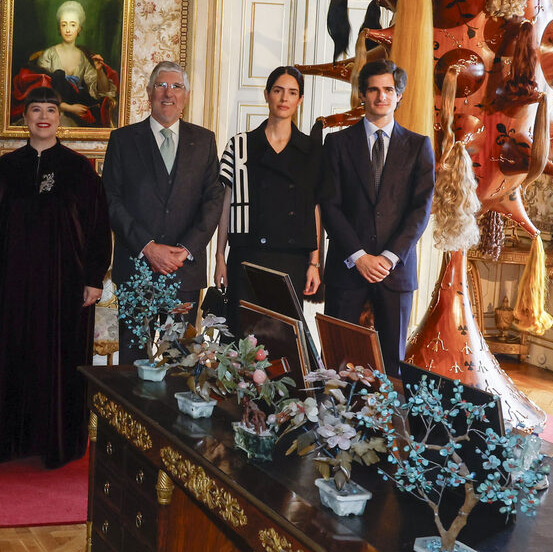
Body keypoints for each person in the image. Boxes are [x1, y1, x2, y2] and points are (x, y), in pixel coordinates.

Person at [0, 81, 109, 467]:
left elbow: (99, 226)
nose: (44, 117)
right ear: (25, 118)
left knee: (60, 363)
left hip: (66, 287)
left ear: (60, 119)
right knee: (17, 358)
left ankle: (60, 443)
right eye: (36, 110)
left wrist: (93, 278)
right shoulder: (7, 167)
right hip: (15, 284)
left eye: (51, 111)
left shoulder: (79, 170)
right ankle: (12, 441)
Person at [102, 62, 225, 361]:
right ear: (148, 93)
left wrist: (186, 249)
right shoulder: (123, 140)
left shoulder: (205, 141)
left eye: (176, 87)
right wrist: (148, 247)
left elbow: (213, 200)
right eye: (161, 85)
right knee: (133, 360)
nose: (168, 93)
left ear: (186, 96)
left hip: (185, 273)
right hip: (136, 268)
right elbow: (110, 199)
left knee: (179, 362)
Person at [320, 58, 435, 376]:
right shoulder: (337, 143)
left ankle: (386, 425)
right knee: (338, 361)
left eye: (388, 89)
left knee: (391, 366)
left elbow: (420, 210)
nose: (380, 96)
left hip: (395, 273)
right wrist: (359, 256)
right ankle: (334, 423)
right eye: (373, 90)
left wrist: (388, 257)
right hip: (347, 268)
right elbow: (330, 206)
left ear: (399, 95)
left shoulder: (418, 146)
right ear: (362, 95)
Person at [213, 65, 325, 316]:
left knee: (282, 339)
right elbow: (225, 204)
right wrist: (220, 256)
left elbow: (314, 208)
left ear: (301, 99)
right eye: (278, 90)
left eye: (292, 93)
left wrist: (314, 263)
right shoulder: (240, 145)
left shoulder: (311, 150)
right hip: (246, 254)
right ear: (266, 95)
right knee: (240, 339)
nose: (284, 98)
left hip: (291, 259)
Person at [11, 0, 119, 128]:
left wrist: (99, 70)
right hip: (53, 110)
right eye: (64, 25)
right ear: (59, 28)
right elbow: (41, 92)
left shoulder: (84, 57)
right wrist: (69, 108)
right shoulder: (49, 54)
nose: (68, 30)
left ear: (79, 29)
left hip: (78, 110)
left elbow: (101, 91)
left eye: (72, 25)